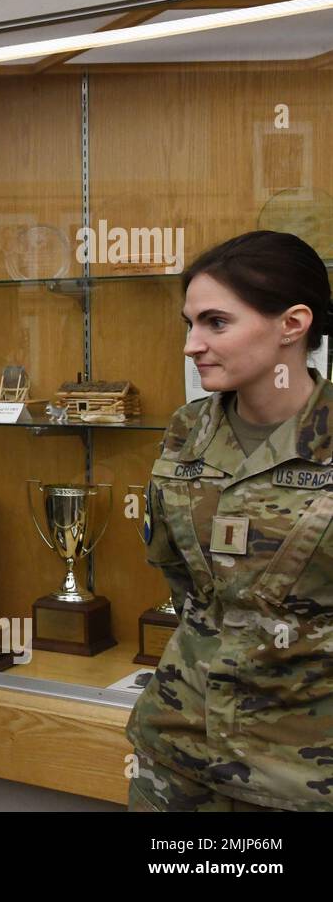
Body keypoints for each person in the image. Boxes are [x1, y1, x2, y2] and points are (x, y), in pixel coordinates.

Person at [128, 230, 333, 812]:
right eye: (189, 324)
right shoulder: (187, 430)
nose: (193, 345)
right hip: (178, 749)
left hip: (302, 771)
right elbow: (184, 579)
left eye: (216, 323)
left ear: (292, 324)